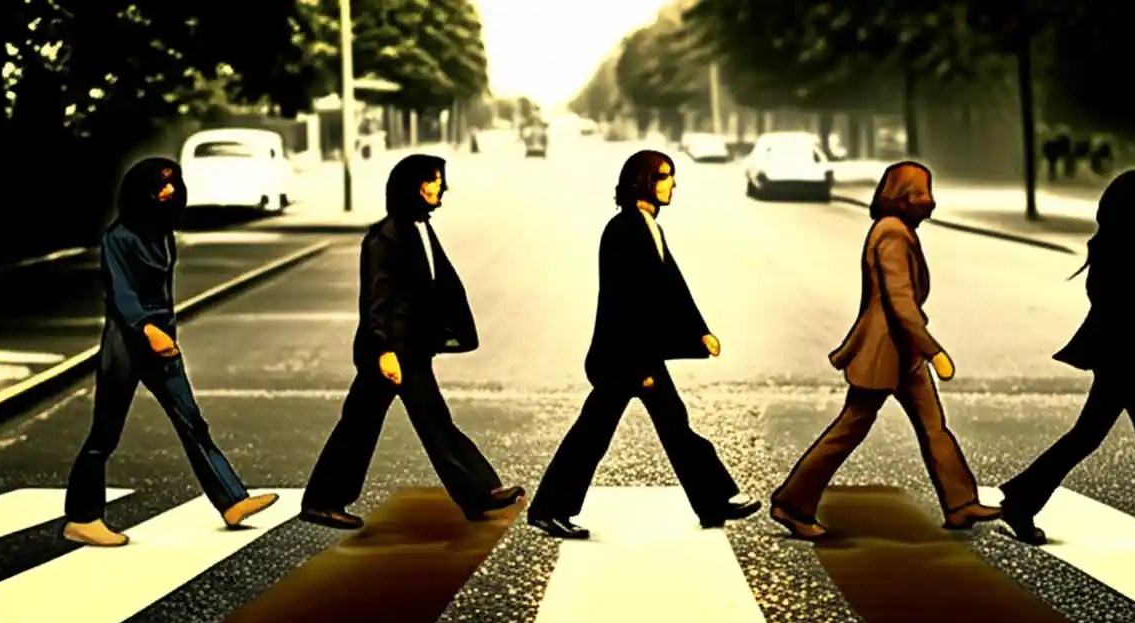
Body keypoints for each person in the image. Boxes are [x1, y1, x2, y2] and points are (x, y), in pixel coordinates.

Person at [526, 150, 760, 539]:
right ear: (643, 181)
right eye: (664, 176)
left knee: (672, 426)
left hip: (637, 352)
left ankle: (713, 500)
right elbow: (624, 303)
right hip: (625, 356)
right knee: (595, 434)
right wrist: (637, 367)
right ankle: (549, 509)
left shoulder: (647, 226)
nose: (672, 184)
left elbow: (670, 286)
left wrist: (699, 332)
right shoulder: (623, 230)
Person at [769, 161, 1001, 539]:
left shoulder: (898, 230)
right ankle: (792, 503)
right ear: (901, 198)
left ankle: (960, 503)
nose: (930, 202)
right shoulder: (892, 233)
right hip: (884, 351)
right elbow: (899, 302)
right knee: (850, 427)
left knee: (933, 426)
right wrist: (934, 351)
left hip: (904, 351)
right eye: (921, 194)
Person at [300, 154, 524, 529]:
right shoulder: (384, 237)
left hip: (412, 349)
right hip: (391, 352)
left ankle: (479, 491)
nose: (441, 187)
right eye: (434, 180)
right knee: (361, 427)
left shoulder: (420, 228)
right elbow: (376, 300)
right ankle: (322, 501)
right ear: (415, 187)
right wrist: (383, 350)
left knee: (432, 423)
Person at [64, 158, 279, 547]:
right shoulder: (119, 238)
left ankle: (231, 501)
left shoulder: (163, 235)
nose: (168, 191)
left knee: (192, 421)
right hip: (126, 343)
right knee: (105, 433)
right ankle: (82, 518)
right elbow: (122, 294)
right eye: (160, 185)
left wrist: (164, 332)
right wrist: (147, 329)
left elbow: (162, 294)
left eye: (173, 183)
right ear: (139, 191)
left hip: (162, 341)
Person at [998, 170, 1135, 545]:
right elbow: (1126, 305)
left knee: (1119, 437)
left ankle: (1024, 499)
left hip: (1121, 354)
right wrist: (1126, 350)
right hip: (1125, 356)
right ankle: (1023, 500)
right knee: (1131, 437)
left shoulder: (1115, 241)